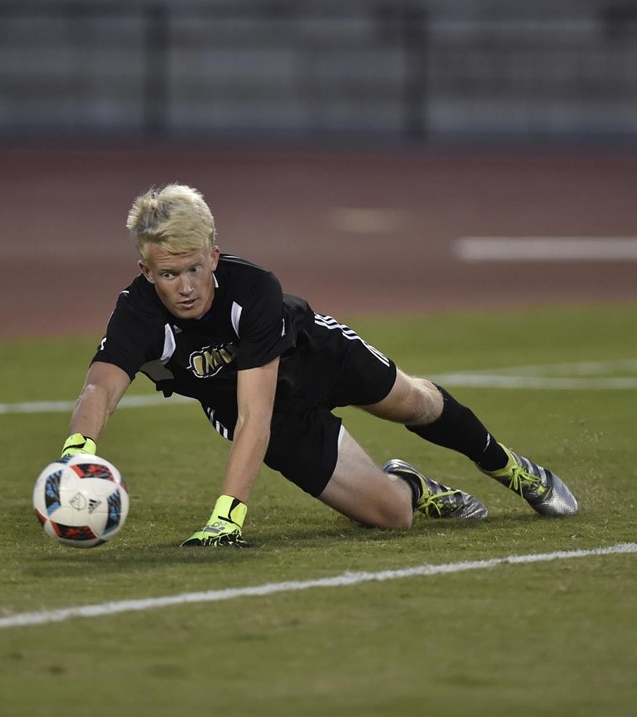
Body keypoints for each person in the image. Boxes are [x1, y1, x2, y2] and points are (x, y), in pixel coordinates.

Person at [60, 183, 577, 547]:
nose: (187, 285)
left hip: (312, 354)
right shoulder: (136, 313)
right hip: (271, 415)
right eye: (170, 273)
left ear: (214, 256)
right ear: (145, 269)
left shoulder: (254, 289)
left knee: (414, 402)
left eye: (196, 267)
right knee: (393, 518)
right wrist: (75, 454)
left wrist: (226, 518)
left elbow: (253, 413)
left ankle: (509, 468)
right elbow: (100, 389)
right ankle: (412, 485)